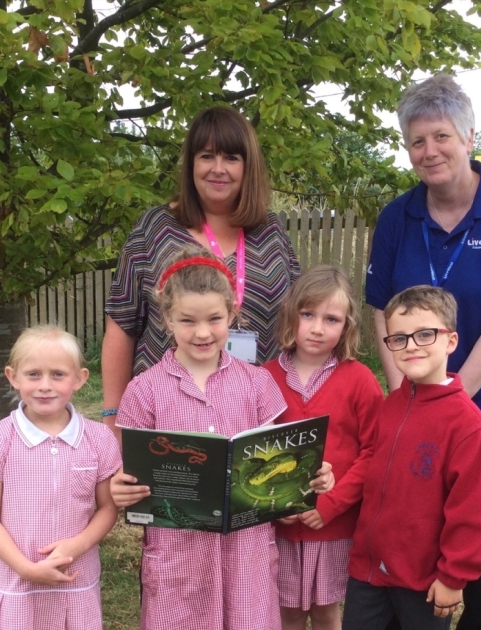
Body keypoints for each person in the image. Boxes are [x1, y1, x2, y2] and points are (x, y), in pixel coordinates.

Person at [364, 74, 481, 630]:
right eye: (417, 141)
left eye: (441, 136)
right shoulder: (397, 217)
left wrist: (447, 398)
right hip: (412, 401)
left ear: (469, 136)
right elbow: (381, 310)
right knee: (414, 522)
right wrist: (405, 394)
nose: (429, 151)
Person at [109, 248, 335, 630]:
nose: (202, 332)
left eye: (214, 319)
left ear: (232, 313)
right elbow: (127, 470)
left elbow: (276, 460)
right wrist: (120, 488)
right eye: (187, 320)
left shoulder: (256, 382)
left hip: (246, 550)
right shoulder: (143, 391)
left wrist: (310, 477)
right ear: (166, 318)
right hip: (179, 551)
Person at [305, 286, 481, 630]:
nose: (411, 345)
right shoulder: (391, 406)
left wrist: (454, 577)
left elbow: (475, 512)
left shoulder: (469, 428)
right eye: (399, 338)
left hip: (423, 581)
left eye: (425, 334)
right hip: (369, 570)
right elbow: (368, 467)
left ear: (450, 341)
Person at [101, 105, 301, 436]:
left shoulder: (271, 232)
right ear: (191, 162)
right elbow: (122, 324)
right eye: (207, 156)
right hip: (165, 416)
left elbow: (299, 319)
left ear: (248, 166)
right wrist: (114, 416)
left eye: (232, 158)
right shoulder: (155, 229)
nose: (218, 169)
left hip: (251, 413)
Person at [0, 325, 120, 630]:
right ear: (13, 376)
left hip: (74, 579)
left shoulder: (99, 439)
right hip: (16, 582)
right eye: (33, 374)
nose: (45, 385)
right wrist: (26, 568)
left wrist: (76, 545)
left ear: (80, 378)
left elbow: (108, 508)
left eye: (58, 375)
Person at [263, 265, 384, 630]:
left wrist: (331, 505)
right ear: (291, 315)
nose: (317, 328)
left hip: (333, 525)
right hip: (280, 525)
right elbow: (253, 450)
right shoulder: (263, 378)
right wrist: (274, 508)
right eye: (307, 314)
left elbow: (374, 452)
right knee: (287, 613)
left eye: (331, 319)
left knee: (327, 611)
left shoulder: (360, 380)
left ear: (346, 325)